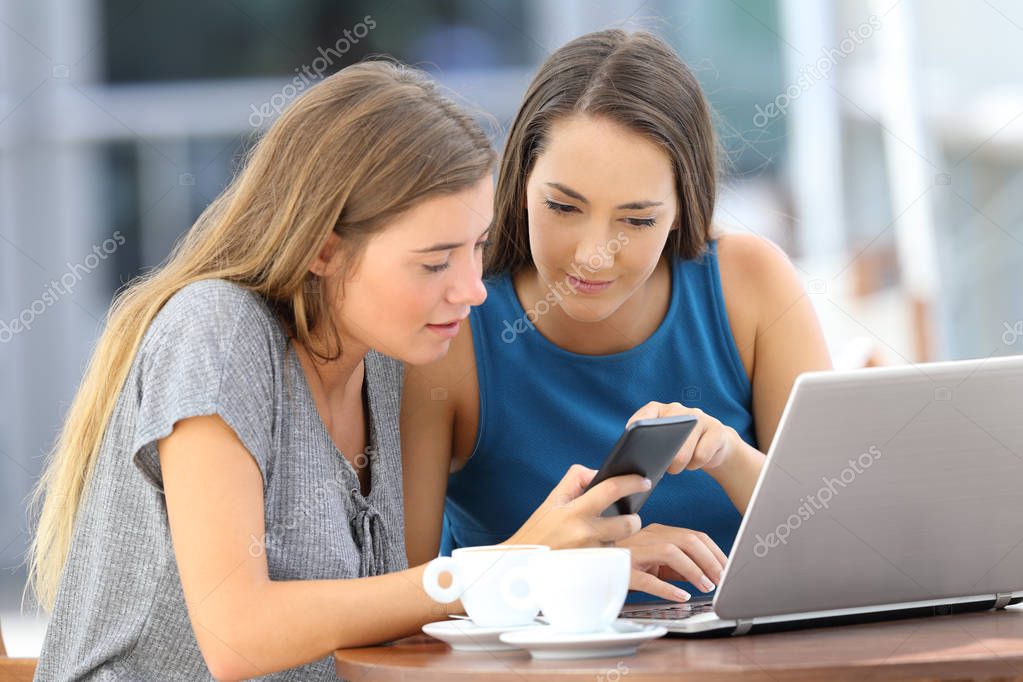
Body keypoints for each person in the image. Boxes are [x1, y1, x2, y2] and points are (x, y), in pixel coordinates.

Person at [28, 61, 665, 681]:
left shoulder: (389, 359)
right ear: (325, 249)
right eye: (435, 262)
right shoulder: (217, 333)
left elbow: (393, 623)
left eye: (477, 247)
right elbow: (234, 636)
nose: (473, 290)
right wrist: (501, 567)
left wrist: (557, 572)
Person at [401, 30, 833, 601]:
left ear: (683, 210)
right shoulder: (456, 323)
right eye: (562, 207)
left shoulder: (749, 283)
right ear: (520, 183)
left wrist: (730, 456)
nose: (591, 255)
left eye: (636, 220)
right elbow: (399, 602)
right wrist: (572, 573)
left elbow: (844, 536)